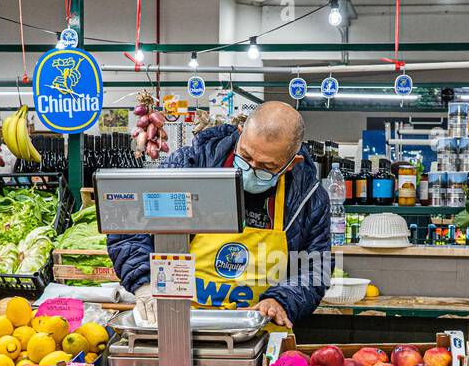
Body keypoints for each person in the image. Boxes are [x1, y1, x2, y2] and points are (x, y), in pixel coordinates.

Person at [107, 101, 331, 328]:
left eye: (266, 167)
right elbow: (131, 227)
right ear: (241, 133)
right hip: (181, 325)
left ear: (292, 163)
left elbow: (315, 269)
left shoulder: (309, 198)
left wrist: (282, 300)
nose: (251, 169)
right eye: (245, 156)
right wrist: (144, 283)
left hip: (261, 331)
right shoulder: (189, 167)